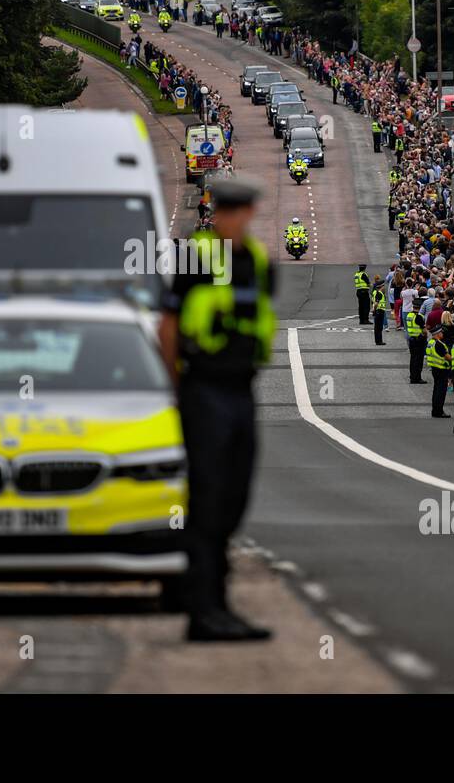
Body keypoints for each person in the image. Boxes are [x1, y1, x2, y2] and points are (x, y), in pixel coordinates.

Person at [159, 177, 275, 642]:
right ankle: (205, 609)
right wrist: (178, 384)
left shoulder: (258, 261)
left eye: (242, 212)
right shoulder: (196, 257)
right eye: (227, 212)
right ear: (217, 214)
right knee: (206, 499)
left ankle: (207, 598)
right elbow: (166, 326)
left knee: (236, 493)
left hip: (241, 387)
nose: (235, 220)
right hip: (203, 387)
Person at [428, 322, 452, 418]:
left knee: (436, 390)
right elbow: (448, 357)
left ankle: (435, 410)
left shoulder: (431, 342)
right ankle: (439, 411)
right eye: (441, 332)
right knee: (441, 392)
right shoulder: (439, 344)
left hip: (434, 368)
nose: (442, 334)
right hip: (442, 369)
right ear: (438, 334)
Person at [406, 304, 427, 383]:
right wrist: (424, 335)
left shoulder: (409, 315)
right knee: (418, 360)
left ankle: (412, 376)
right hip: (419, 340)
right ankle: (417, 378)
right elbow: (424, 330)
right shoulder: (419, 316)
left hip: (411, 339)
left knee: (413, 359)